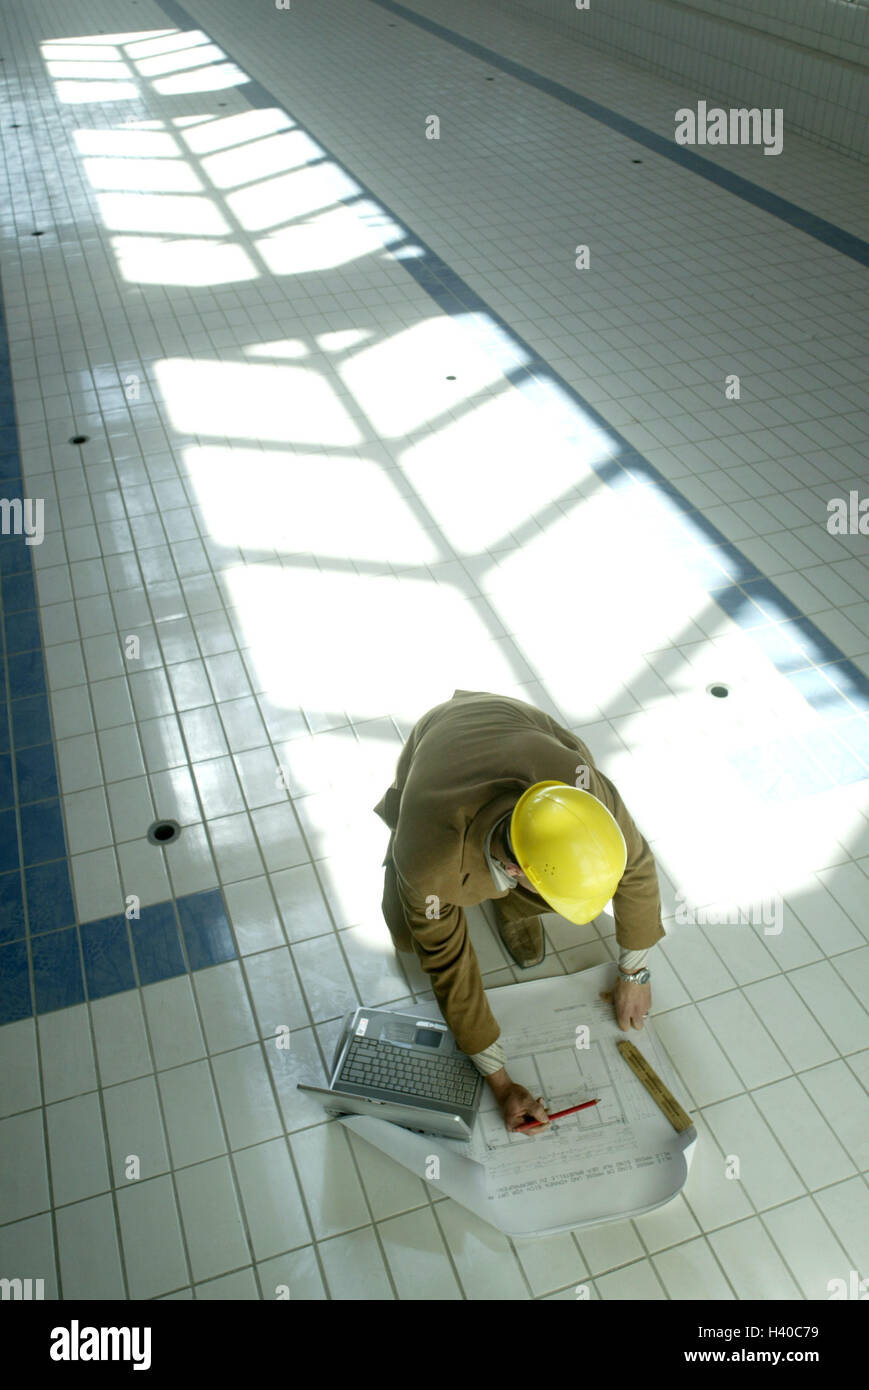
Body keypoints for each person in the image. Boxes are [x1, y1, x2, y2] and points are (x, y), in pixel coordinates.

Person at [374, 689, 666, 1133]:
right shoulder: (432, 860)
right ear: (511, 869)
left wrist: (635, 973)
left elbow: (636, 866)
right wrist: (500, 1081)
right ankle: (496, 901)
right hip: (438, 744)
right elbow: (448, 961)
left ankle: (515, 912)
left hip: (512, 722)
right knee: (411, 928)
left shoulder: (580, 793)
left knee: (559, 888)